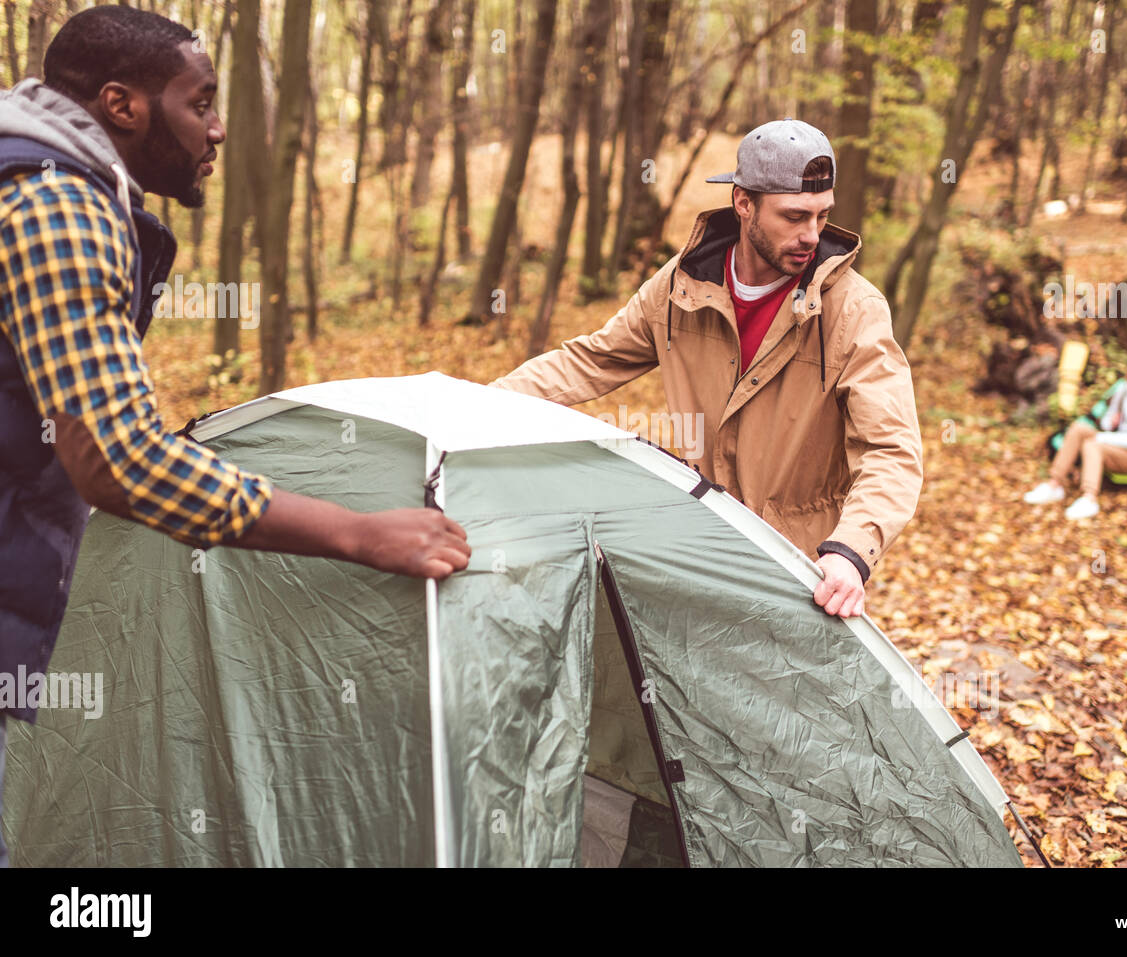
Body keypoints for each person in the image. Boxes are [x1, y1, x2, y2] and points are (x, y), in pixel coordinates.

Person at [0, 7, 470, 867]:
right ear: (121, 104)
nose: (218, 129)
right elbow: (116, 456)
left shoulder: (46, 182)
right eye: (200, 102)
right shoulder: (56, 205)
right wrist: (356, 532)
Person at [490, 119, 923, 621]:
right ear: (744, 204)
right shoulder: (681, 286)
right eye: (794, 216)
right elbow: (589, 360)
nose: (811, 235)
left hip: (803, 575)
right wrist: (479, 405)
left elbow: (890, 449)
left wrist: (850, 552)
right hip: (701, 550)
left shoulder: (853, 310)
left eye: (823, 217)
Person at [1024, 347, 1127, 520]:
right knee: (1079, 428)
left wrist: (1101, 437)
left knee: (1093, 445)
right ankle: (1054, 484)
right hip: (1118, 445)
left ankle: (1089, 498)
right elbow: (1106, 421)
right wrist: (1111, 421)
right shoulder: (1123, 387)